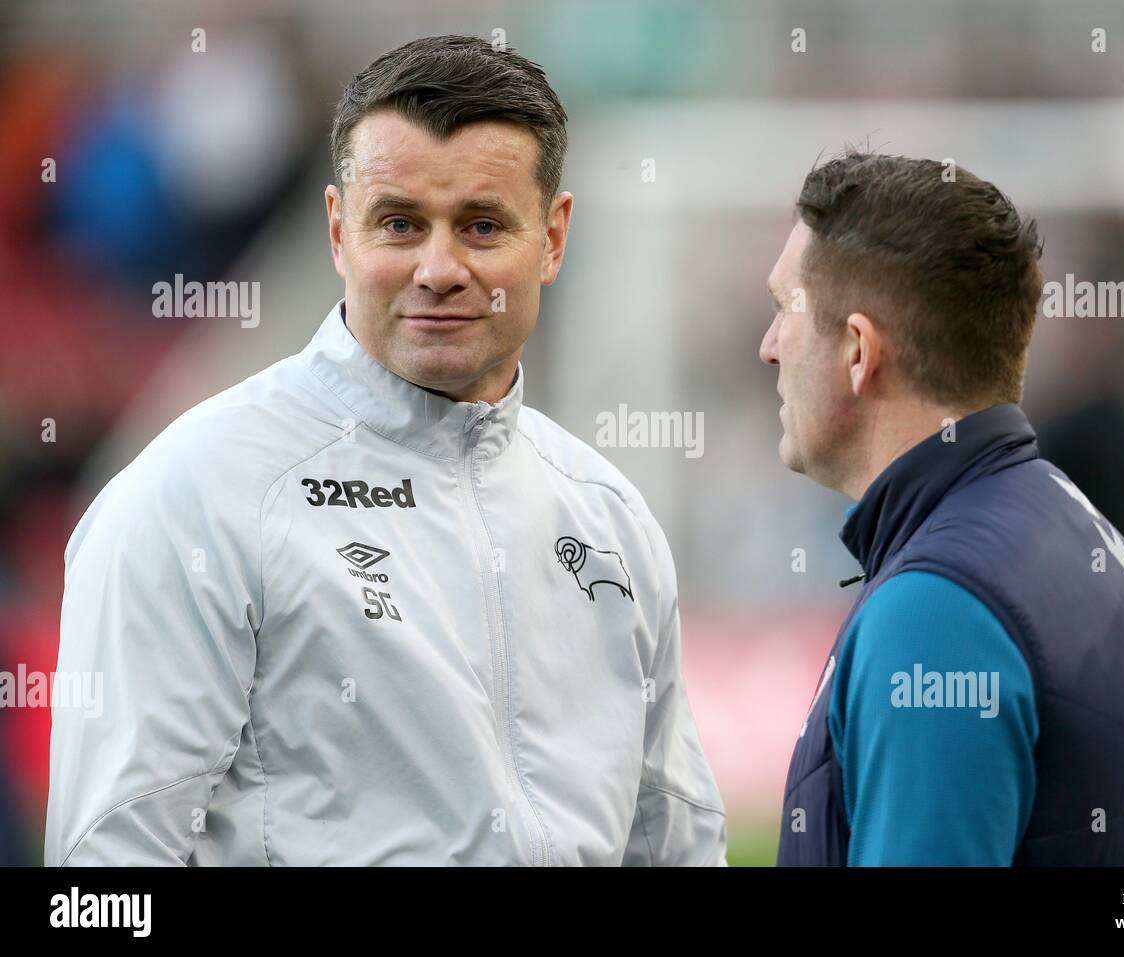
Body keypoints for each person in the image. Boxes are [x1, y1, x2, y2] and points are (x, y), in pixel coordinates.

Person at [46, 35, 726, 866]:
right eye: (400, 223)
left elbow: (680, 847)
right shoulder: (193, 494)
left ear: (552, 239)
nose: (439, 268)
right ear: (339, 232)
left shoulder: (609, 515)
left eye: (481, 226)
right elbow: (106, 876)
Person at [760, 150, 1124, 866]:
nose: (768, 347)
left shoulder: (935, 612)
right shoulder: (1110, 557)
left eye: (786, 309)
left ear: (858, 351)